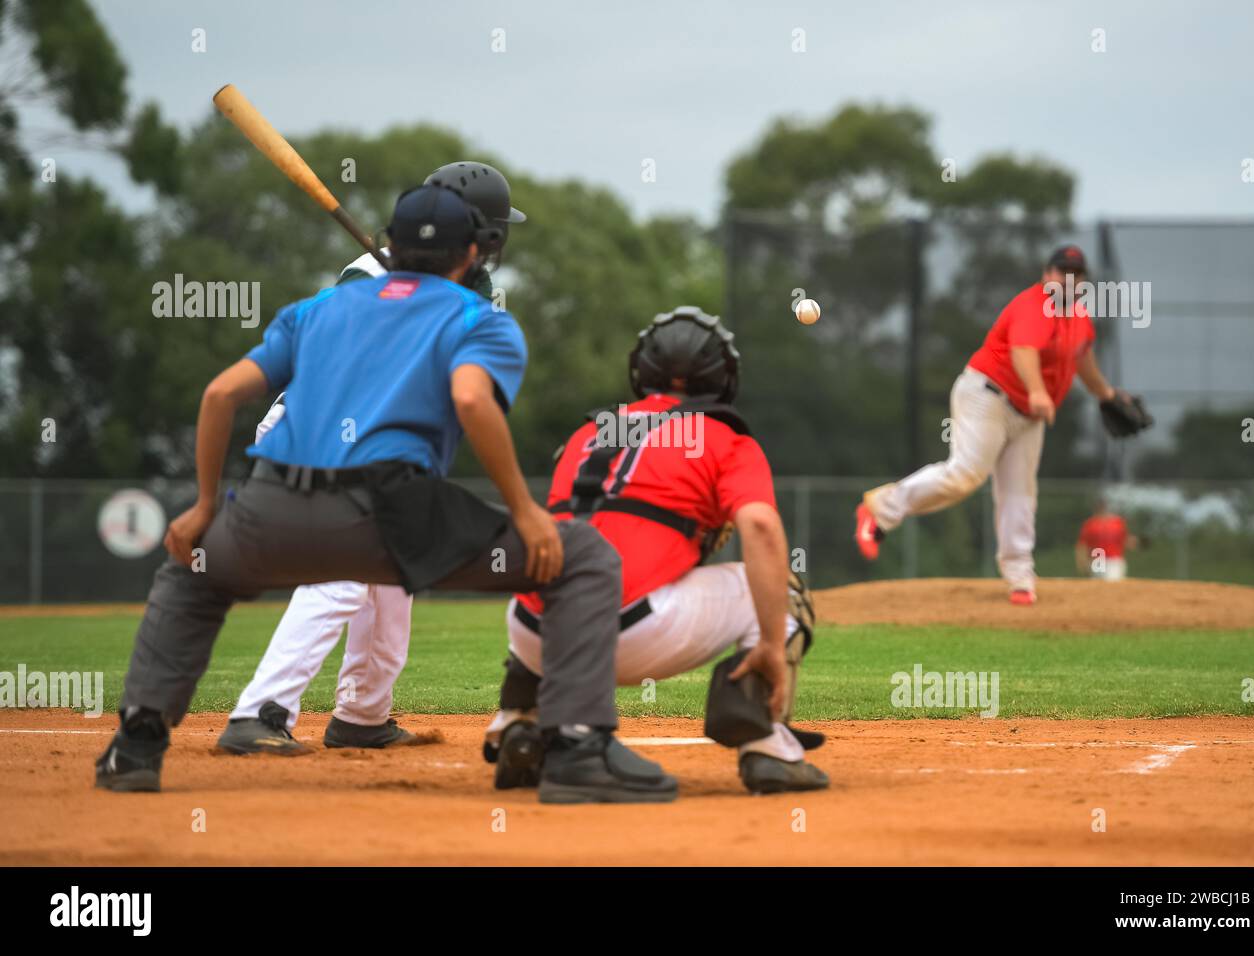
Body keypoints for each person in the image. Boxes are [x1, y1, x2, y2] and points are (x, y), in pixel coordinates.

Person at [94, 183, 677, 805]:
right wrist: (527, 511)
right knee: (582, 556)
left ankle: (137, 742)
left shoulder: (313, 309)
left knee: (192, 571)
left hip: (268, 506)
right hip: (392, 513)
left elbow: (218, 396)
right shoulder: (480, 319)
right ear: (479, 250)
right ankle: (579, 750)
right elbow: (473, 401)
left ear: (390, 244)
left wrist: (207, 507)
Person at [217, 162, 527, 754]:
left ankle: (363, 715)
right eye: (493, 229)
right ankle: (259, 714)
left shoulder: (474, 286)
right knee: (340, 576)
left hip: (381, 440)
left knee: (391, 576)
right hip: (322, 429)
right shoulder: (365, 272)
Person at [482, 306, 829, 795]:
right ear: (723, 378)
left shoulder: (588, 433)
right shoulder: (725, 437)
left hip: (533, 633)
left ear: (640, 371)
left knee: (558, 571)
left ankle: (522, 721)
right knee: (785, 588)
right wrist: (772, 644)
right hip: (631, 635)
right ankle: (766, 744)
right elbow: (762, 528)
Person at [855, 246, 1135, 605]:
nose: (1066, 278)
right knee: (965, 475)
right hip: (988, 396)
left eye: (1074, 273)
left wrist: (1106, 395)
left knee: (1020, 493)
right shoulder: (1034, 306)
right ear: (1046, 274)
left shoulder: (1078, 316)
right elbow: (1023, 350)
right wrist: (1037, 390)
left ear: (1082, 281)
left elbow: (1083, 359)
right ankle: (880, 509)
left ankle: (1020, 576)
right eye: (1060, 271)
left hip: (1030, 415)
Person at [1076, 499, 1137, 580]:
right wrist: (1082, 562)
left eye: (1102, 507)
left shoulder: (1117, 522)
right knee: (1097, 586)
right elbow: (1082, 545)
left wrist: (1135, 543)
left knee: (1112, 584)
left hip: (1113, 560)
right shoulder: (1090, 524)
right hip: (1097, 559)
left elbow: (1125, 540)